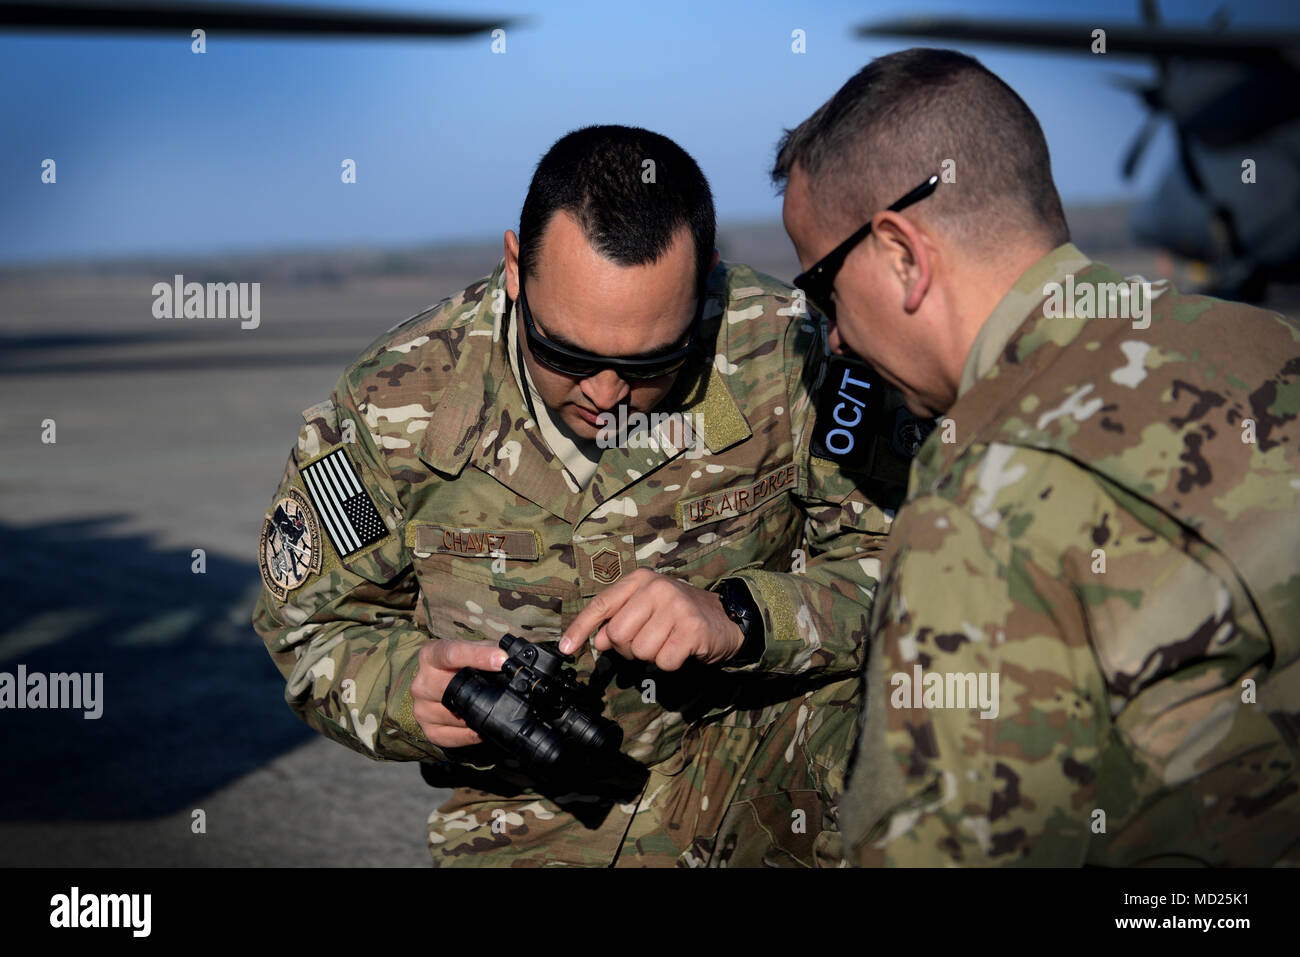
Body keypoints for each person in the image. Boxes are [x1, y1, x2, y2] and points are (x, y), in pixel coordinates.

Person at [253, 124, 916, 866]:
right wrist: (408, 689)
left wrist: (741, 616)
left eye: (651, 361)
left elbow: (903, 575)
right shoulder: (390, 406)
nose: (604, 394)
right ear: (514, 267)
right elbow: (313, 630)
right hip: (537, 812)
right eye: (565, 352)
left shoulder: (791, 353)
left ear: (707, 286)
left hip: (771, 766)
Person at [772, 49, 1300, 866]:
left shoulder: (981, 501)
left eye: (822, 286)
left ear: (903, 254)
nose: (833, 333)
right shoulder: (1271, 343)